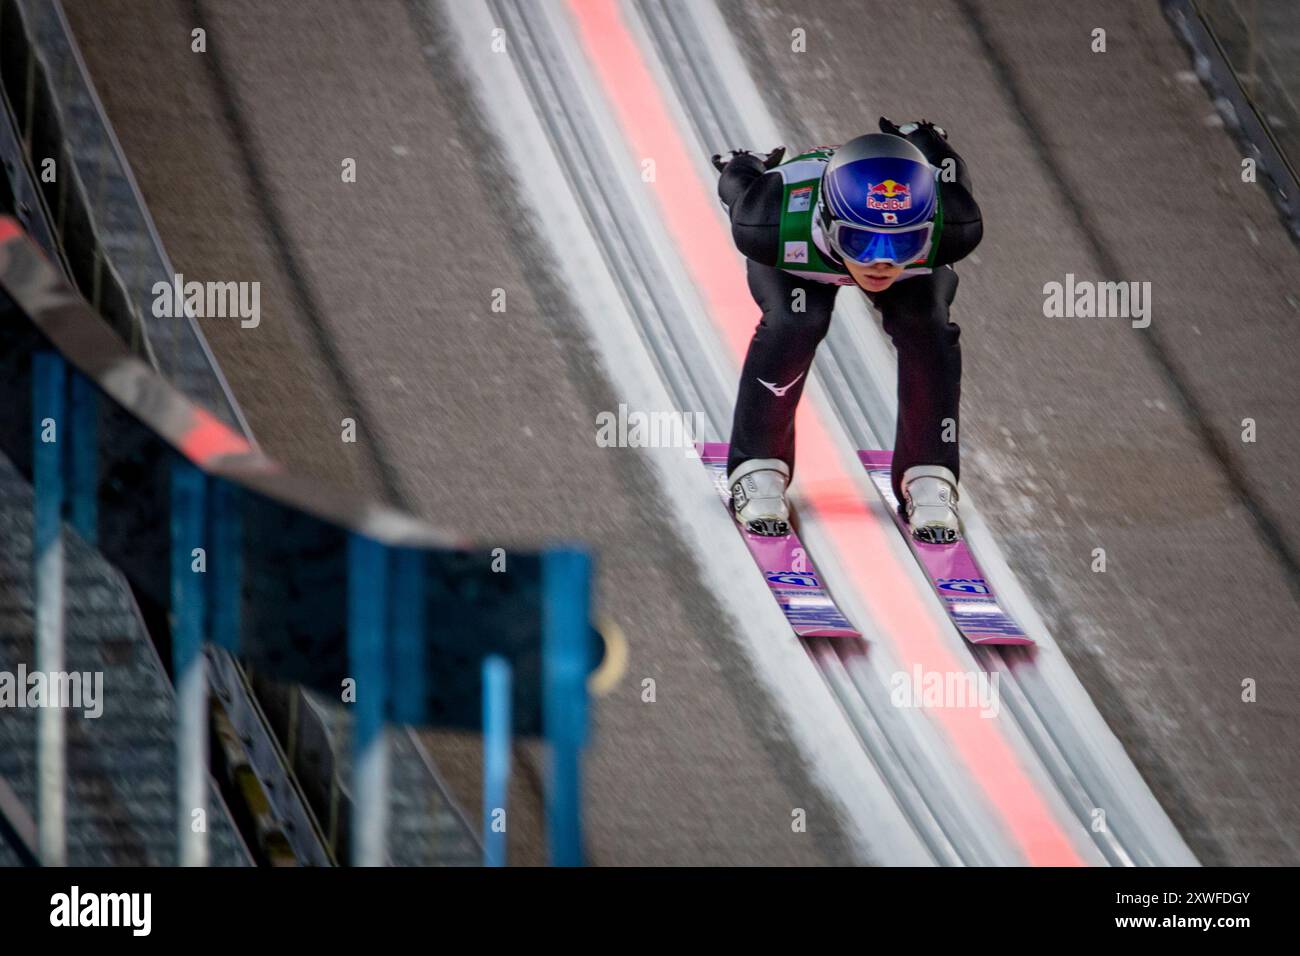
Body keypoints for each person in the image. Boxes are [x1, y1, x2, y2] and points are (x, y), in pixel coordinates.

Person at [711, 117, 983, 543]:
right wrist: (744, 164)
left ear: (929, 228)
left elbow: (947, 169)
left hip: (882, 259)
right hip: (801, 261)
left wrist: (923, 139)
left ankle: (930, 470)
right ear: (828, 220)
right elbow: (738, 185)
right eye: (861, 242)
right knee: (795, 321)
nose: (881, 262)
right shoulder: (768, 220)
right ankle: (757, 464)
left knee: (926, 325)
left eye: (903, 243)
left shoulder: (955, 223)